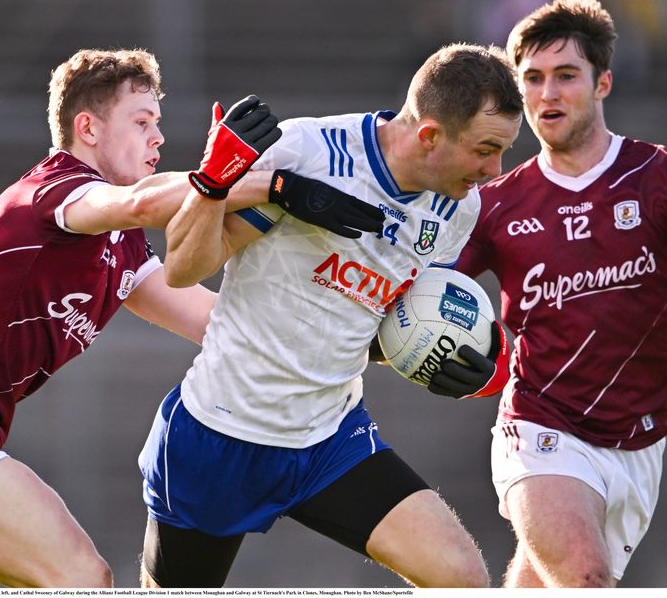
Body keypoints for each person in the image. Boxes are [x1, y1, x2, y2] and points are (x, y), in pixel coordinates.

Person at [0, 48, 383, 588]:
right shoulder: (55, 189)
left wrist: (364, 336)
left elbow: (224, 324)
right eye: (141, 121)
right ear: (88, 129)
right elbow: (143, 204)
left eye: (158, 123)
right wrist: (266, 184)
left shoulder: (121, 250)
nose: (158, 138)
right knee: (81, 577)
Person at [136, 42, 523, 588]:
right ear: (431, 134)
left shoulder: (456, 207)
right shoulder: (309, 153)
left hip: (330, 439)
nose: (494, 169)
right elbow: (182, 267)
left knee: (460, 575)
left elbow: (379, 319)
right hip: (222, 432)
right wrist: (214, 183)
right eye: (486, 150)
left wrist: (443, 354)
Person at [444, 0, 667, 586]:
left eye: (566, 76)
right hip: (540, 424)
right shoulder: (493, 204)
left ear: (603, 83)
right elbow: (430, 293)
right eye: (534, 79)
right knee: (585, 579)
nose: (548, 94)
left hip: (639, 443)